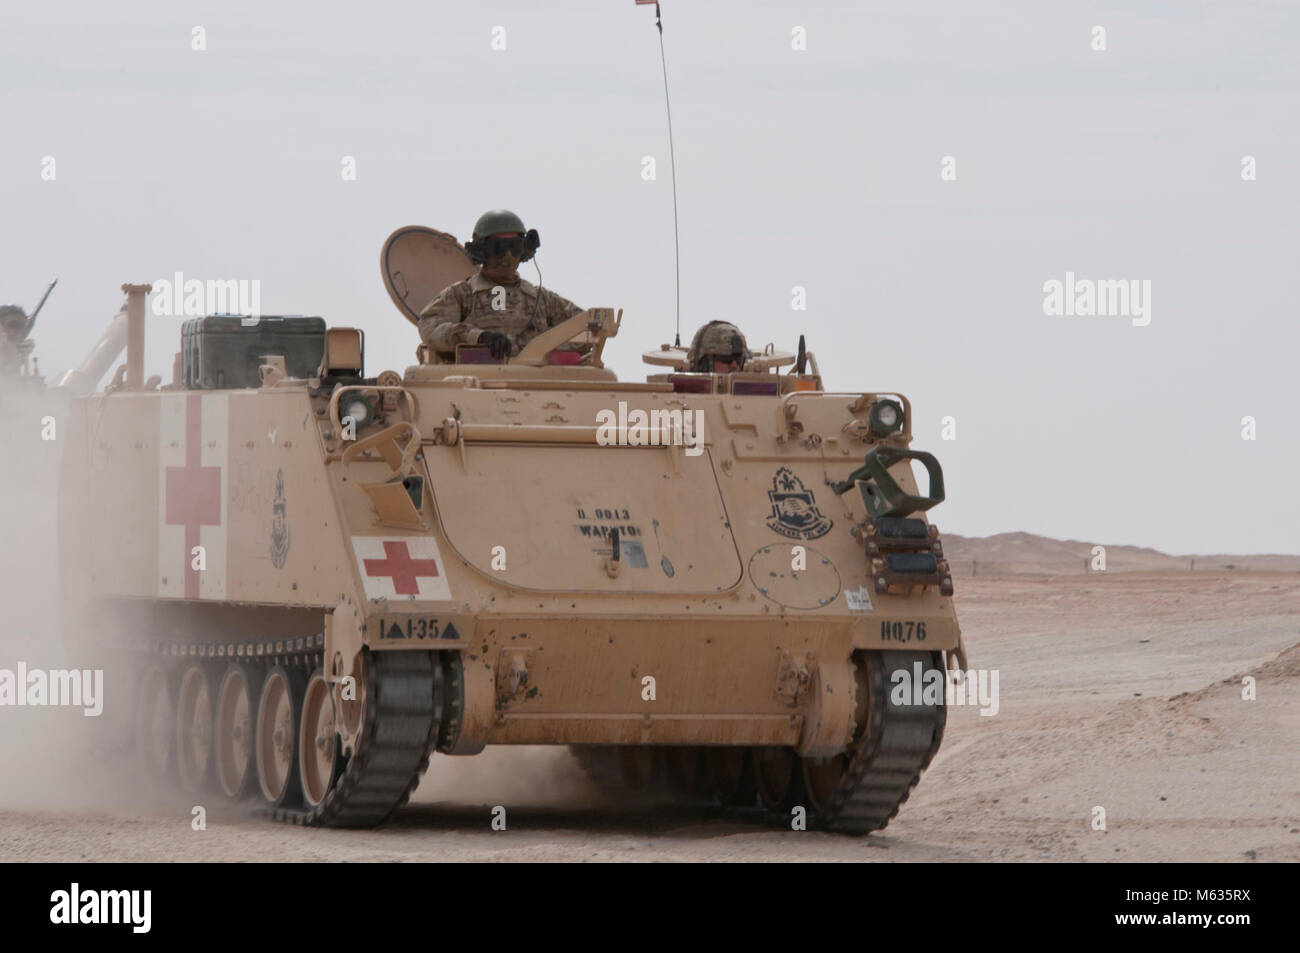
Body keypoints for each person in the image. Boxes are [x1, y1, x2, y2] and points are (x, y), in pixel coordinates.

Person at [418, 209, 582, 361]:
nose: (508, 257)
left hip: (537, 382)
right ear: (482, 251)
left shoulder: (543, 300)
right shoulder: (462, 295)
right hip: (475, 383)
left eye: (515, 247)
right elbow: (429, 326)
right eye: (498, 248)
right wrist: (478, 337)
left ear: (524, 250)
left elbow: (586, 328)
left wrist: (544, 346)